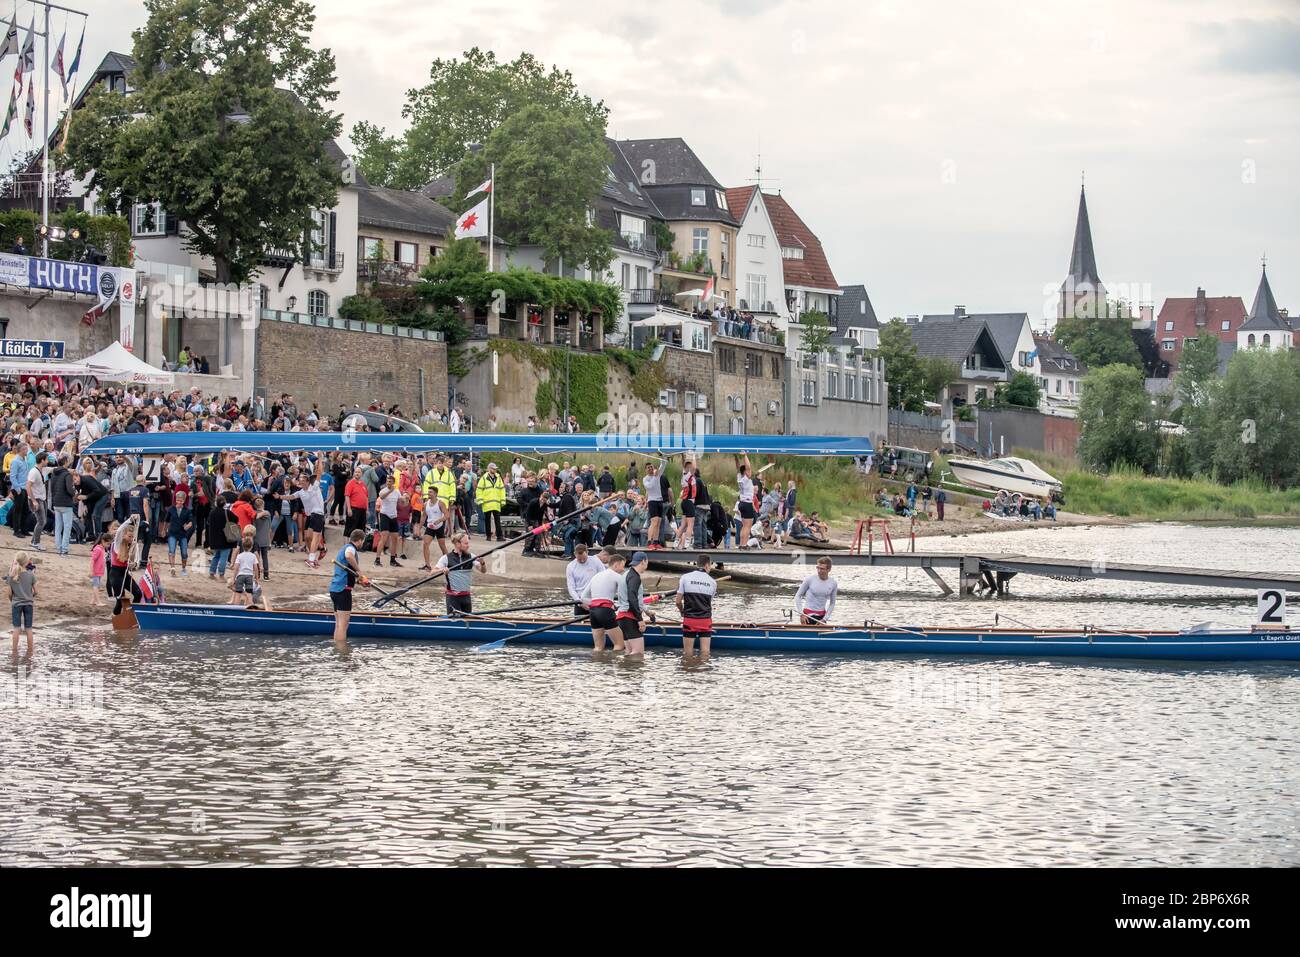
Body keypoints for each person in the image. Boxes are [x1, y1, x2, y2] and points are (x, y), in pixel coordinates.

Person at [329, 529, 369, 644]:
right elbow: (349, 556)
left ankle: (337, 650)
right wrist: (360, 571)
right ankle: (342, 653)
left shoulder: (344, 548)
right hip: (343, 590)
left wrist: (362, 582)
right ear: (360, 540)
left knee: (338, 624)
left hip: (335, 590)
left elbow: (348, 574)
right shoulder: (350, 548)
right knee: (343, 624)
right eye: (363, 541)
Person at [676, 553, 718, 662]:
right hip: (705, 620)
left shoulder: (685, 578)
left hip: (690, 619)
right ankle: (702, 675)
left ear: (697, 564)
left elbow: (678, 601)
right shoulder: (712, 582)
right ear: (707, 565)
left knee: (687, 653)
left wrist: (682, 611)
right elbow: (709, 602)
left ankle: (689, 672)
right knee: (705, 653)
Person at [581, 550, 626, 652]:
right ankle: (615, 667)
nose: (623, 569)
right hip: (606, 611)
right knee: (619, 645)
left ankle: (596, 665)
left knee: (598, 648)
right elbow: (624, 596)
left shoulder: (596, 576)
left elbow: (583, 598)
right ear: (616, 564)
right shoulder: (618, 577)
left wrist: (595, 604)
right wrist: (615, 605)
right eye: (623, 566)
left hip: (593, 612)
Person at [434, 532, 486, 615]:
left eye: (468, 543)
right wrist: (442, 569)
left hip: (466, 597)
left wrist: (483, 563)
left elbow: (483, 571)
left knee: (467, 623)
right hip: (453, 598)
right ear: (458, 544)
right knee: (454, 623)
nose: (468, 545)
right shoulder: (446, 558)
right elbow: (432, 572)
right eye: (466, 543)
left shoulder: (471, 557)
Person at [616, 550, 653, 658]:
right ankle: (634, 674)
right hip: (629, 617)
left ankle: (625, 674)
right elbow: (632, 599)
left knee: (629, 652)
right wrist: (640, 619)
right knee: (638, 653)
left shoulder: (626, 574)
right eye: (647, 562)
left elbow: (636, 599)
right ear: (643, 561)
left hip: (622, 617)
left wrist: (647, 611)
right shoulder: (634, 577)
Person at [108, 517, 144, 616]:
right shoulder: (117, 543)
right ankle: (115, 617)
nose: (131, 539)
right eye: (129, 536)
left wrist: (135, 564)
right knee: (120, 601)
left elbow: (137, 560)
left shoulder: (133, 545)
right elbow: (119, 530)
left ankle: (130, 614)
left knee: (138, 594)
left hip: (125, 573)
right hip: (115, 575)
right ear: (124, 535)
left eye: (132, 537)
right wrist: (130, 519)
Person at [6, 551, 36, 659]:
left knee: (16, 629)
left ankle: (14, 652)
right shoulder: (31, 575)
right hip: (28, 604)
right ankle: (30, 652)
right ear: (27, 562)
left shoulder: (11, 576)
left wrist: (12, 600)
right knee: (28, 629)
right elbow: (36, 591)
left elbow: (9, 593)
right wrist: (30, 597)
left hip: (16, 604)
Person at [794, 557, 839, 625]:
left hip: (822, 617)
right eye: (818, 568)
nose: (819, 570)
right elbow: (798, 596)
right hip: (807, 616)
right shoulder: (809, 579)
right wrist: (801, 614)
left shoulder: (833, 583)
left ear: (829, 570)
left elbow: (832, 603)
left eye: (822, 569)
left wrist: (825, 619)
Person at [565, 542, 605, 618]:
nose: (582, 561)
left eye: (584, 558)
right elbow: (571, 587)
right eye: (579, 559)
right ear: (575, 554)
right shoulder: (570, 566)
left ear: (587, 552)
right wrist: (579, 602)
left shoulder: (596, 561)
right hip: (580, 601)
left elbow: (604, 578)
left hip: (595, 600)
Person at [165, 489, 195, 575]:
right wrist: (164, 530)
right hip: (172, 532)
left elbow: (190, 521)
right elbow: (166, 521)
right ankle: (172, 567)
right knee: (171, 550)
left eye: (181, 500)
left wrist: (188, 525)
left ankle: (183, 568)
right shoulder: (171, 509)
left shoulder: (187, 510)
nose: (179, 502)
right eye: (177, 500)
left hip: (183, 534)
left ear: (184, 500)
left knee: (184, 553)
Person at [475, 462, 506, 541]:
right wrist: (480, 500)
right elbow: (479, 489)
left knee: (497, 520)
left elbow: (502, 489)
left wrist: (502, 500)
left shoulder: (498, 478)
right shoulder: (484, 478)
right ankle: (488, 536)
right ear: (489, 469)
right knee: (487, 520)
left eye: (495, 469)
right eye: (493, 468)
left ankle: (499, 536)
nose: (495, 470)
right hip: (487, 502)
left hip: (496, 502)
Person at [230, 542, 261, 608]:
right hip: (249, 576)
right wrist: (257, 579)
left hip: (240, 575)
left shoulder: (239, 555)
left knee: (238, 593)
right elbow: (256, 568)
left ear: (242, 547)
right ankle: (251, 606)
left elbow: (236, 567)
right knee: (249, 593)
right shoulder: (253, 556)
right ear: (251, 547)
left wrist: (233, 578)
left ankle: (235, 608)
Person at [735, 453, 756, 548]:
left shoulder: (739, 478)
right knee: (748, 526)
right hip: (747, 503)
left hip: (741, 503)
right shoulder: (746, 478)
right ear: (746, 472)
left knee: (744, 526)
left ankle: (741, 544)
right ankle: (744, 544)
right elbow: (748, 467)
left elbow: (738, 467)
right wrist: (745, 455)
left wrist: (735, 456)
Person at [642, 463, 664, 550]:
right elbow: (649, 486)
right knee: (654, 521)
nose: (650, 468)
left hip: (660, 500)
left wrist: (663, 457)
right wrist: (655, 476)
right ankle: (649, 542)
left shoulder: (657, 474)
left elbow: (663, 466)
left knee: (658, 522)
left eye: (651, 467)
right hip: (652, 501)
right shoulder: (645, 479)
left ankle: (656, 541)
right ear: (646, 470)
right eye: (648, 468)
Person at [89, 532, 111, 608]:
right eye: (108, 544)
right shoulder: (98, 549)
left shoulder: (102, 549)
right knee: (96, 586)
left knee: (97, 585)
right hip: (96, 571)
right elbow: (92, 560)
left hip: (99, 571)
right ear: (103, 541)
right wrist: (91, 571)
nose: (108, 546)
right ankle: (98, 601)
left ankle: (93, 600)